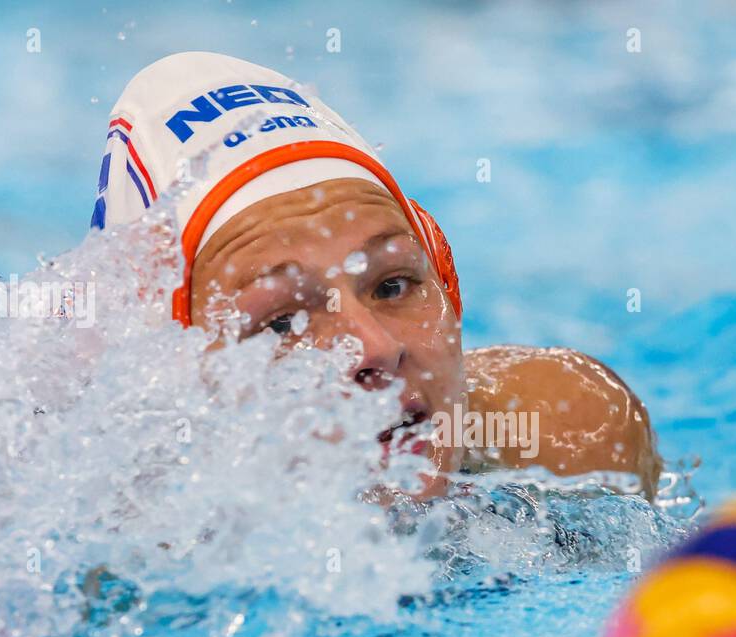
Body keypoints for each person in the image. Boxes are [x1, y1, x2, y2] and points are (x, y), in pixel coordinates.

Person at [95, 52, 660, 499]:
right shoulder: (105, 555)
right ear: (171, 383)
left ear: (447, 287)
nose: (374, 347)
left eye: (392, 285)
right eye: (281, 323)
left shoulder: (566, 439)